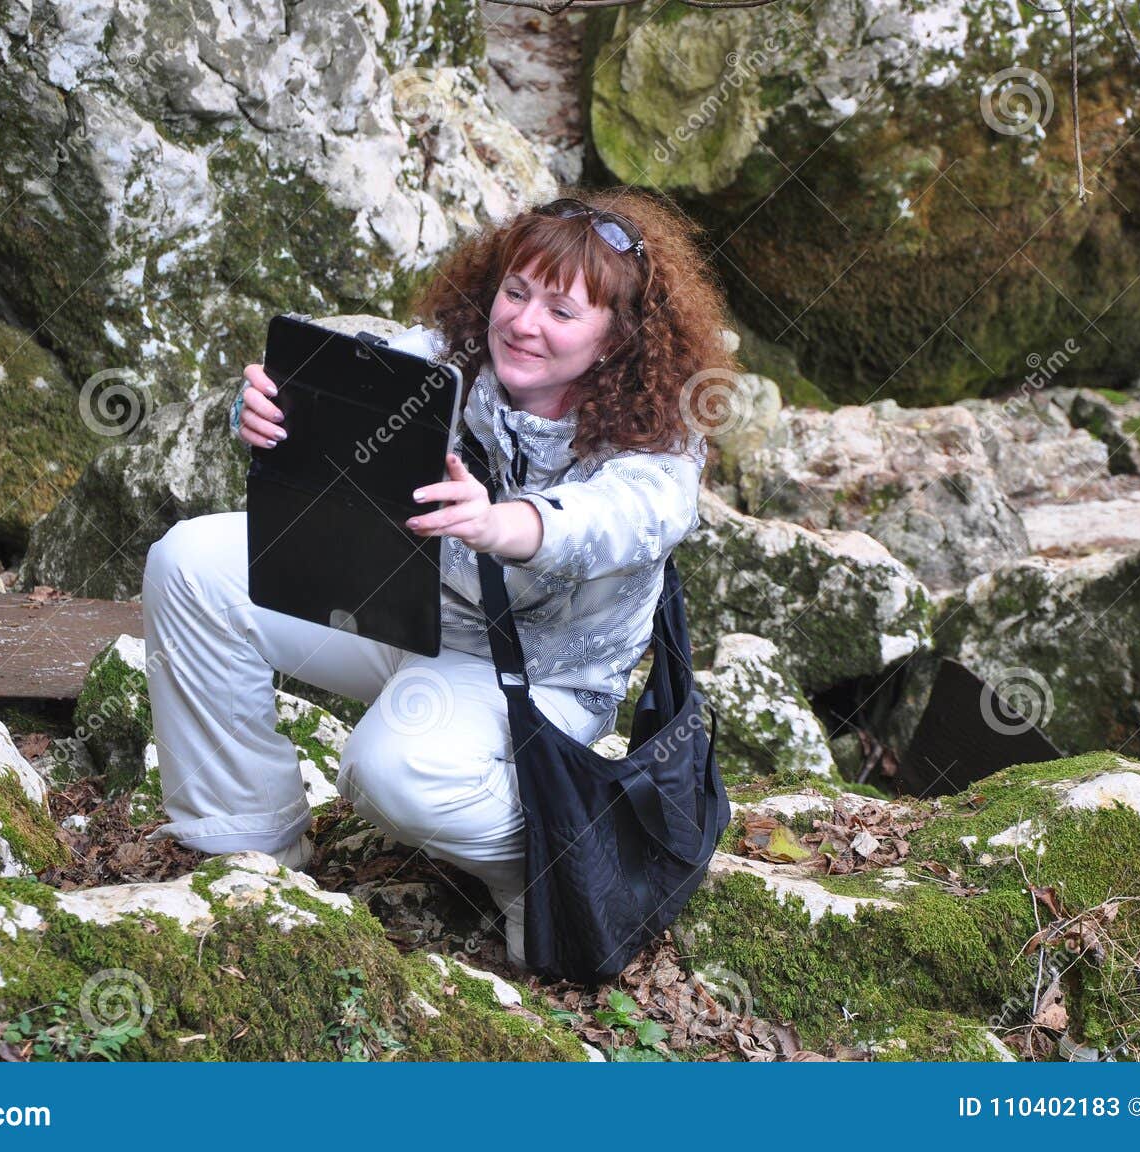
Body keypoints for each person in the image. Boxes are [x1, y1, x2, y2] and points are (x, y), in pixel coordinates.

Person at [140, 188, 737, 967]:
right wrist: (256, 412)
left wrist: (502, 524)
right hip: (402, 611)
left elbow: (610, 520)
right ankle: (247, 848)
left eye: (562, 312)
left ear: (620, 336)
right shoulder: (446, 359)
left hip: (538, 680)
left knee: (389, 770)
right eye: (516, 293)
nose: (523, 323)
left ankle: (545, 864)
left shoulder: (659, 440)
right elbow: (334, 382)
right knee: (188, 563)